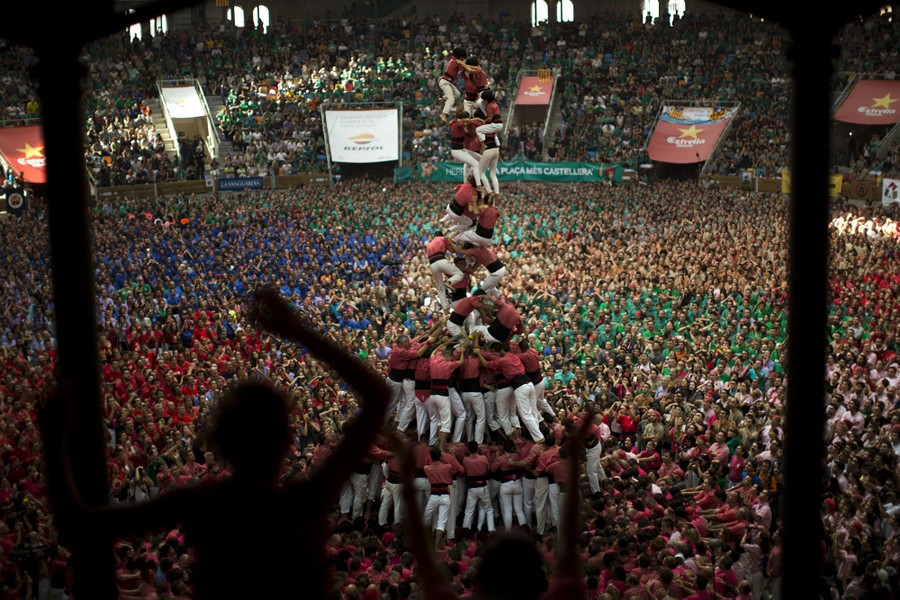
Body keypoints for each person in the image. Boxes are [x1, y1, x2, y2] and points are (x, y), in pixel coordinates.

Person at [39, 288, 391, 599]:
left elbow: (77, 523)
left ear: (219, 444)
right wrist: (297, 330)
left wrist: (53, 440)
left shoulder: (201, 503)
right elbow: (376, 395)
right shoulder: (303, 504)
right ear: (287, 441)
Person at [475, 89, 503, 196]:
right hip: (496, 147)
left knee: (481, 172)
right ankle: (497, 192)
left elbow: (489, 118)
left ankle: (490, 192)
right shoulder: (494, 103)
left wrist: (481, 120)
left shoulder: (489, 107)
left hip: (489, 148)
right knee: (492, 173)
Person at [438, 48, 467, 123]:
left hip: (448, 82)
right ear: (459, 56)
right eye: (462, 57)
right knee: (451, 99)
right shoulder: (455, 61)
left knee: (457, 94)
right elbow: (465, 66)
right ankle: (444, 114)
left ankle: (443, 99)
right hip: (445, 82)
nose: (463, 59)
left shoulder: (454, 60)